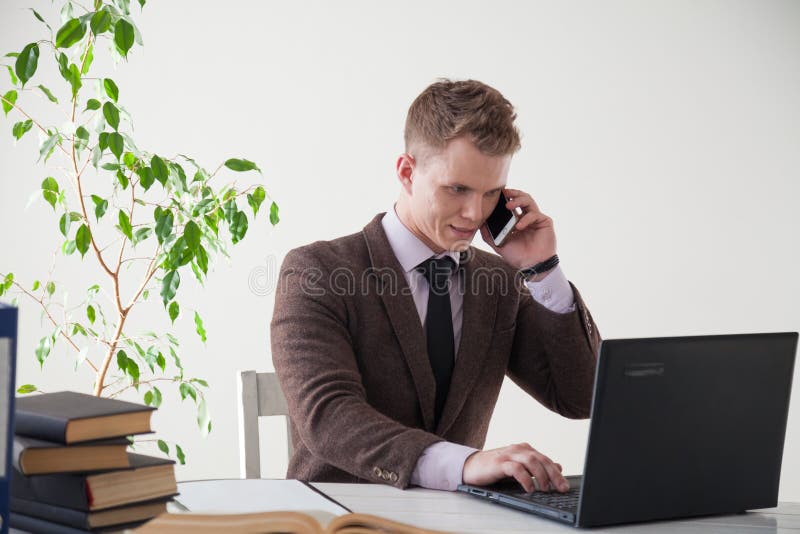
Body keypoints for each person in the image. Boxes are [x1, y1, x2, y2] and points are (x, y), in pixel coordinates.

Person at [271, 79, 600, 494]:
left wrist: (543, 271)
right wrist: (462, 463)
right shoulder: (316, 271)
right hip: (340, 515)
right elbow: (328, 416)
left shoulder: (497, 281)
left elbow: (580, 397)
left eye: (491, 194)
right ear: (407, 172)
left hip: (455, 521)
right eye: (457, 189)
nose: (473, 212)